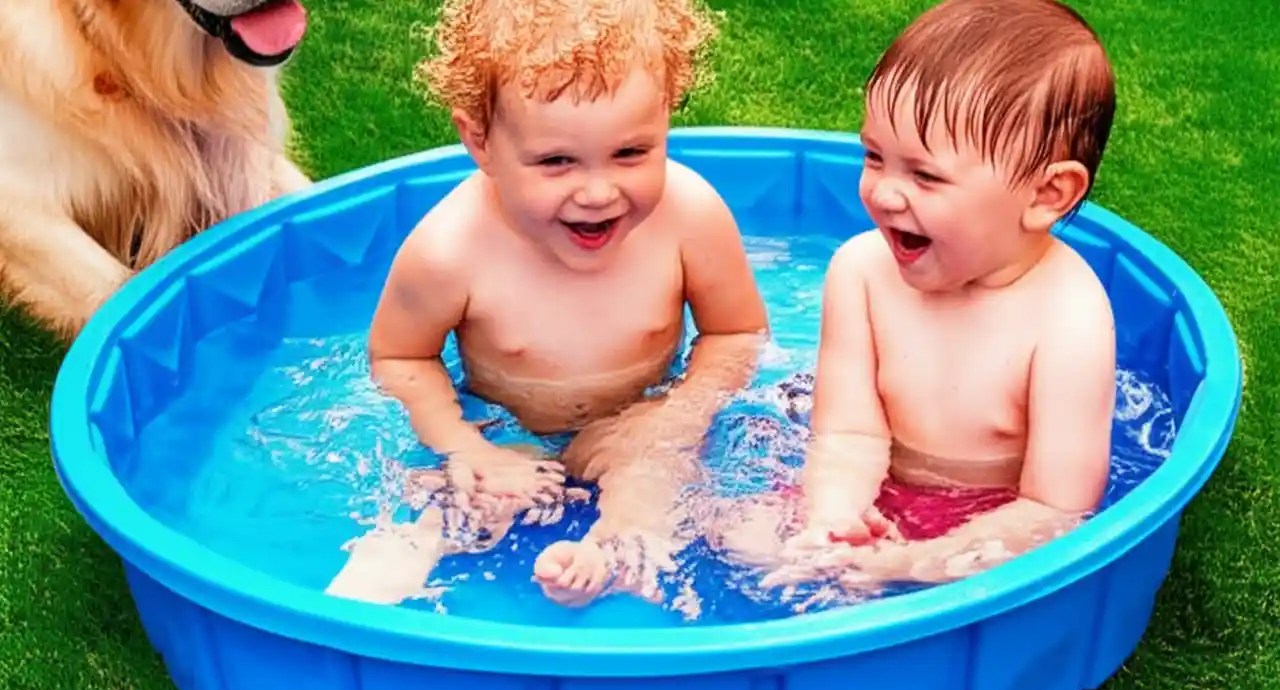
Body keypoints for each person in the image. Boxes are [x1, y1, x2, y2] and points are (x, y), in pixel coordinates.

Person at [327, 0, 770, 607]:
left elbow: (736, 333)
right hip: (505, 431)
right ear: (479, 142)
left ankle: (613, 554)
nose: (597, 191)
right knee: (465, 493)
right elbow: (401, 359)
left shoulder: (690, 216)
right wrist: (467, 447)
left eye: (631, 153)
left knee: (657, 476)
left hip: (639, 421)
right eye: (557, 161)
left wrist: (680, 413)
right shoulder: (450, 250)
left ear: (665, 121)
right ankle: (409, 549)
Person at [712, 0, 1118, 591]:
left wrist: (913, 563)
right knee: (735, 533)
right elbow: (849, 433)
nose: (885, 194)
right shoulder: (861, 272)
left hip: (985, 517)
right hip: (874, 486)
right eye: (875, 157)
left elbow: (1054, 511)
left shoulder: (1068, 321)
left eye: (925, 176)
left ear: (1046, 194)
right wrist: (833, 520)